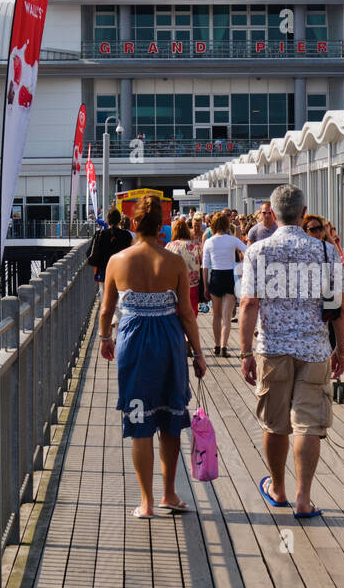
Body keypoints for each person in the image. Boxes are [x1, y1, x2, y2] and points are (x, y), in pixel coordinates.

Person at [239, 184, 344, 518]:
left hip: (272, 347)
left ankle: (278, 487)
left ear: (271, 213)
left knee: (275, 424)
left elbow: (249, 303)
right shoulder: (326, 252)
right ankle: (303, 497)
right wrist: (340, 349)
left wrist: (245, 352)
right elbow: (338, 308)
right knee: (308, 425)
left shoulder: (258, 251)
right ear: (304, 214)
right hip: (315, 348)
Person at [97, 195, 207, 518]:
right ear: (161, 226)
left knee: (138, 419)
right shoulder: (174, 263)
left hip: (132, 339)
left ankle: (145, 501)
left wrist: (106, 339)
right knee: (170, 417)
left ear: (133, 224)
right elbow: (187, 314)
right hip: (168, 340)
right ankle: (169, 493)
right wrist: (198, 354)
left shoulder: (117, 261)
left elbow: (105, 311)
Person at [202, 213, 246, 356]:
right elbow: (247, 250)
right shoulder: (232, 240)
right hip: (229, 277)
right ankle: (224, 346)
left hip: (216, 276)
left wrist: (205, 286)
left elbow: (205, 266)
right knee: (227, 316)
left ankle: (215, 345)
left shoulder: (209, 242)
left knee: (216, 315)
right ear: (227, 225)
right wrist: (242, 264)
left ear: (213, 225)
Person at [165, 218, 203, 314]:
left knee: (176, 315)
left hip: (175, 286)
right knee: (191, 313)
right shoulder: (197, 245)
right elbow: (203, 263)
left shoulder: (170, 246)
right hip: (193, 285)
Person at [88, 208, 134, 283]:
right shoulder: (127, 235)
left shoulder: (100, 234)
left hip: (104, 273)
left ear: (107, 221)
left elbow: (90, 254)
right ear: (119, 221)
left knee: (105, 293)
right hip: (122, 273)